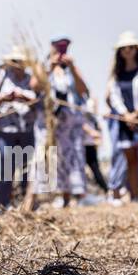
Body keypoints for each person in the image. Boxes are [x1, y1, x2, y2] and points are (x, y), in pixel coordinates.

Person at [0, 50, 41, 209]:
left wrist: (25, 97)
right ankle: (4, 203)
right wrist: (4, 98)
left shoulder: (31, 79)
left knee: (26, 167)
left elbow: (40, 98)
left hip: (27, 129)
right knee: (6, 166)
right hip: (6, 130)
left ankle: (25, 203)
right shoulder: (1, 77)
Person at [105, 31, 138, 202]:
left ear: (136, 49)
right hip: (124, 121)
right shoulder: (117, 74)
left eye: (131, 47)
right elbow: (114, 96)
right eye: (124, 48)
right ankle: (134, 196)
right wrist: (126, 115)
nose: (127, 51)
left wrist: (137, 113)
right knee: (131, 160)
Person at [45, 36, 88, 206]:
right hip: (54, 124)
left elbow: (83, 90)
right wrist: (50, 67)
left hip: (73, 122)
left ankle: (78, 194)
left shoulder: (71, 69)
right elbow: (36, 86)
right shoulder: (46, 68)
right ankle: (59, 195)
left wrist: (72, 66)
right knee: (56, 157)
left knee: (76, 156)